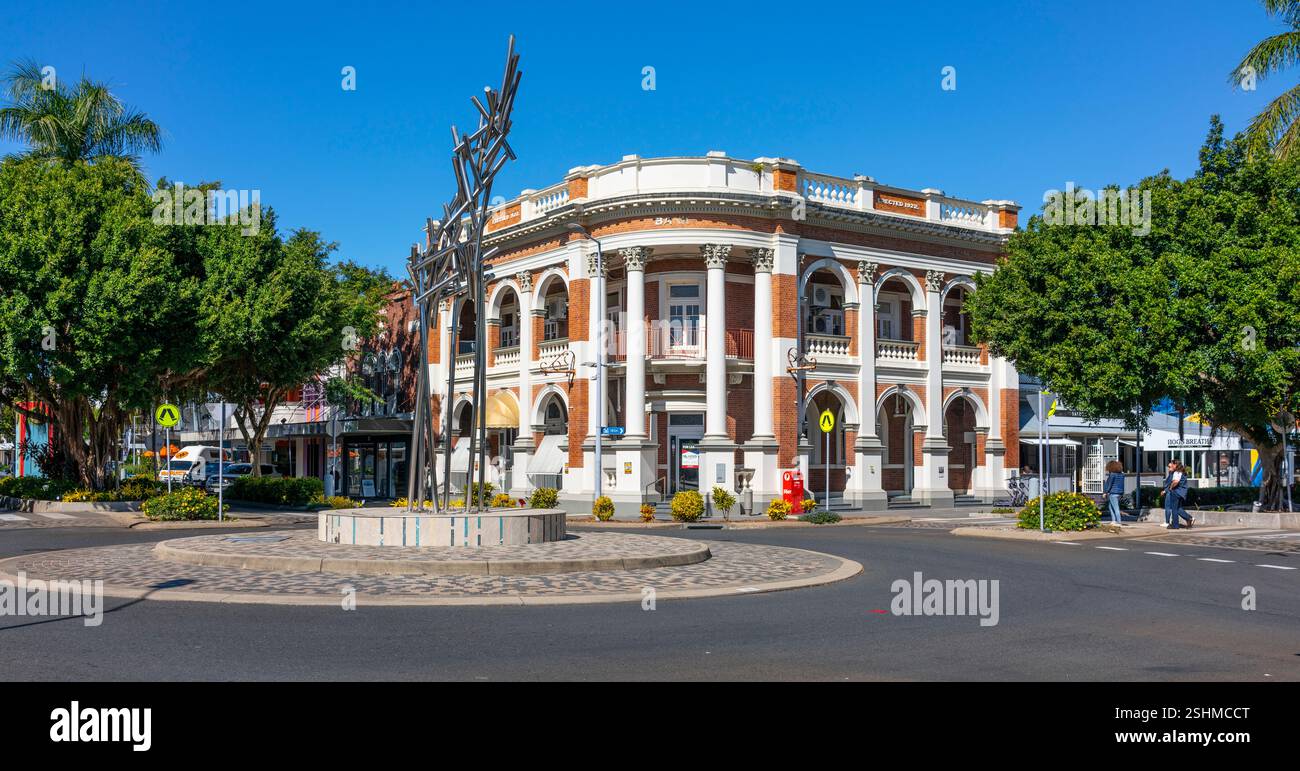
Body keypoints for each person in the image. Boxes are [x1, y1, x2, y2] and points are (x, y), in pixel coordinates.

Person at [1163, 459, 1193, 529]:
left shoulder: (1177, 472)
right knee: (1178, 508)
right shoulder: (1182, 472)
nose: (1171, 465)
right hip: (1182, 493)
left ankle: (1175, 525)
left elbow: (1176, 482)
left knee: (1174, 509)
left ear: (1175, 465)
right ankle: (1189, 518)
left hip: (1177, 492)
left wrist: (1170, 487)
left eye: (1172, 464)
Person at [1103, 460, 1126, 525]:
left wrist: (1105, 492)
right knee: (1110, 506)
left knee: (1116, 508)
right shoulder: (1122, 475)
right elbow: (1122, 484)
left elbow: (1109, 484)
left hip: (1113, 493)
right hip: (1119, 493)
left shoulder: (1112, 475)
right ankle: (1114, 520)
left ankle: (1118, 522)